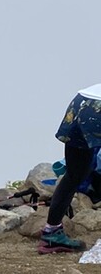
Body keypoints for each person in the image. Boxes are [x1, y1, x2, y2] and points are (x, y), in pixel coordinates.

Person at [38, 83, 101, 253]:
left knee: (74, 175)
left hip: (81, 102)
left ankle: (52, 233)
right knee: (77, 174)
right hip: (98, 108)